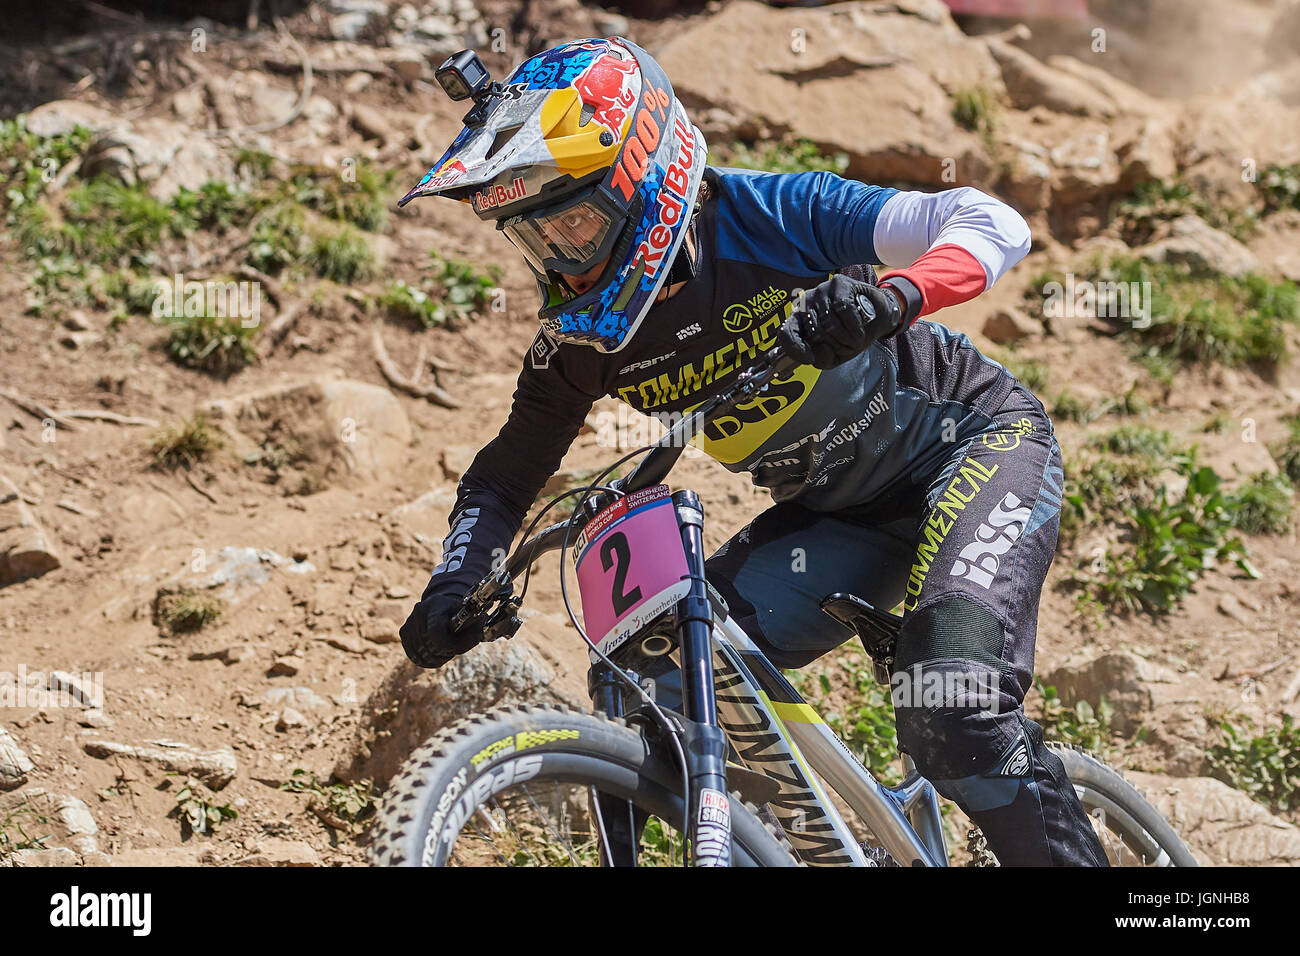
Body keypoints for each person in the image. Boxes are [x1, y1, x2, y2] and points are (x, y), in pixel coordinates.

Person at [395, 37, 1107, 866]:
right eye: (534, 239)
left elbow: (992, 221)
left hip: (976, 448)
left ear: (639, 179)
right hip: (841, 518)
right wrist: (459, 576)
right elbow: (507, 472)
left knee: (949, 709)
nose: (560, 259)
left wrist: (893, 295)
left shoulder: (767, 217)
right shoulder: (583, 344)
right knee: (650, 685)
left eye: (574, 224)